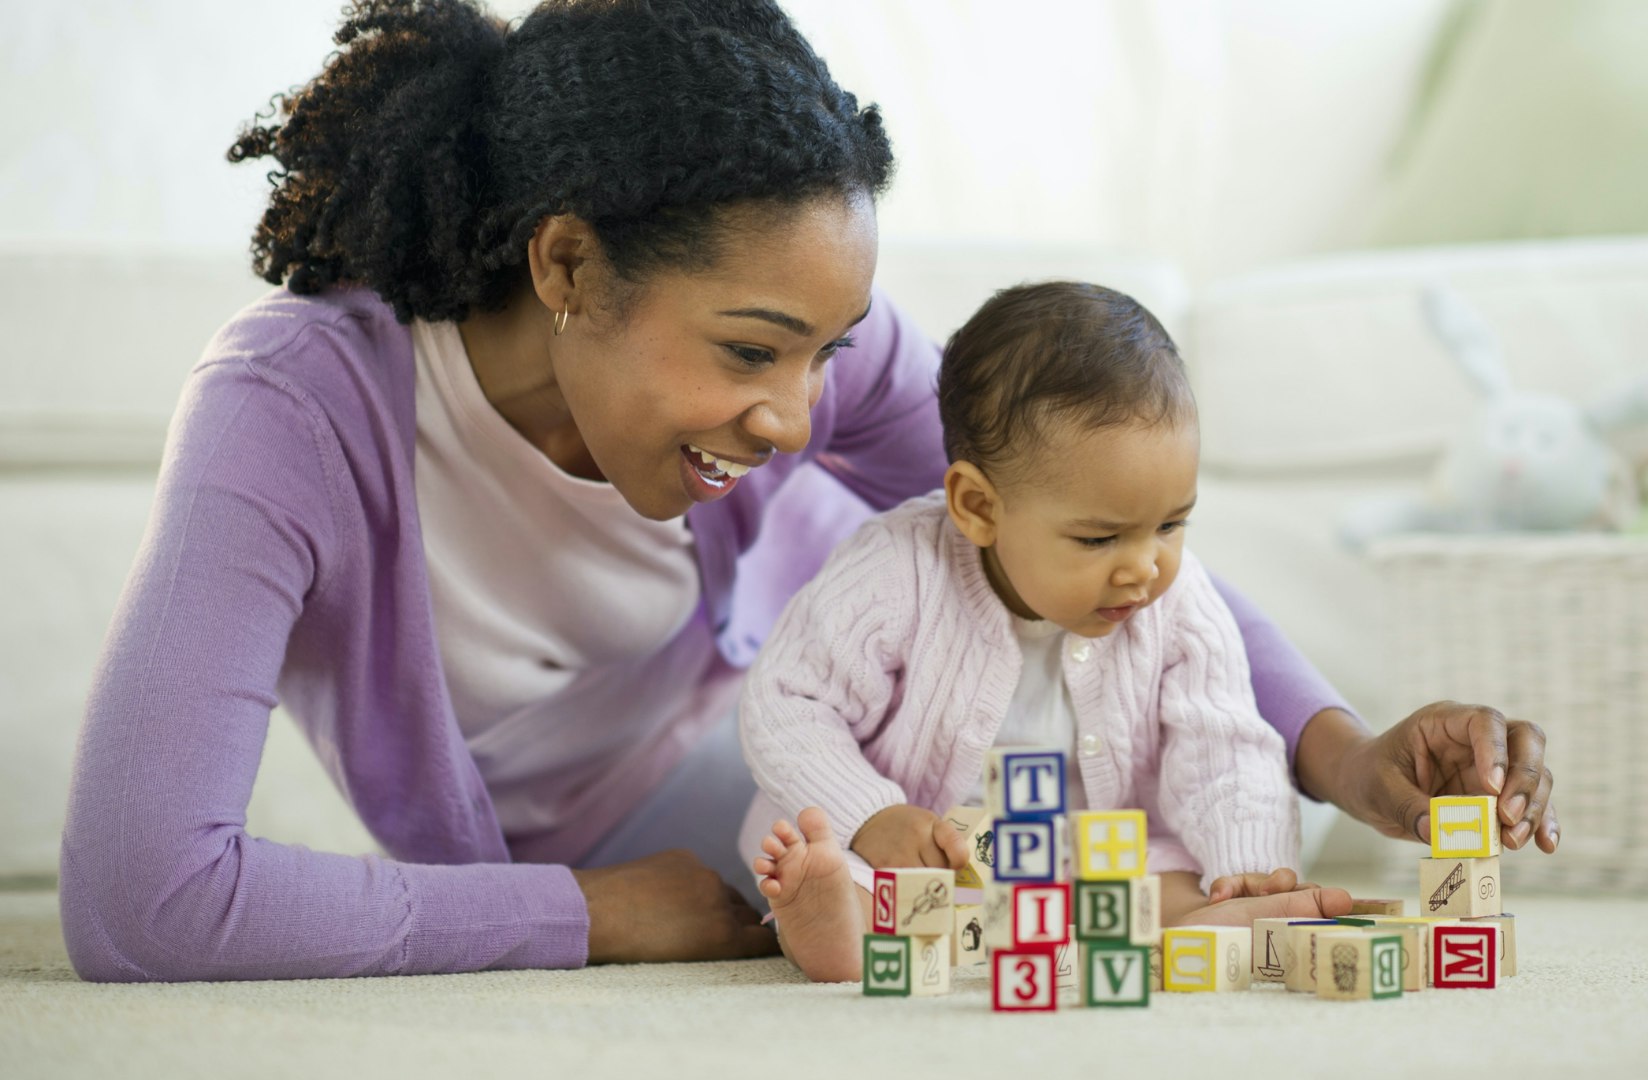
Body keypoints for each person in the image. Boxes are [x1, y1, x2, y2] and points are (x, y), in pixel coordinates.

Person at [60, 0, 1556, 984]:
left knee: (1172, 825)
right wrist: (590, 911)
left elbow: (1102, 531)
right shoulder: (290, 413)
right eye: (749, 353)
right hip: (701, 811)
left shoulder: (803, 351)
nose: (796, 416)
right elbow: (142, 898)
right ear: (566, 263)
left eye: (828, 354)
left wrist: (1346, 752)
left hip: (860, 737)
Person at [743, 282, 1349, 981]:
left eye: (1170, 524)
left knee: (1176, 873)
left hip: (1095, 865)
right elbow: (788, 702)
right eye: (1099, 538)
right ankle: (840, 925)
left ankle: (1212, 916)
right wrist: (871, 816)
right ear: (978, 507)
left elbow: (1226, 746)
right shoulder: (895, 570)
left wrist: (1247, 866)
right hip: (924, 851)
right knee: (838, 861)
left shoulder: (1180, 599)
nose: (1144, 567)